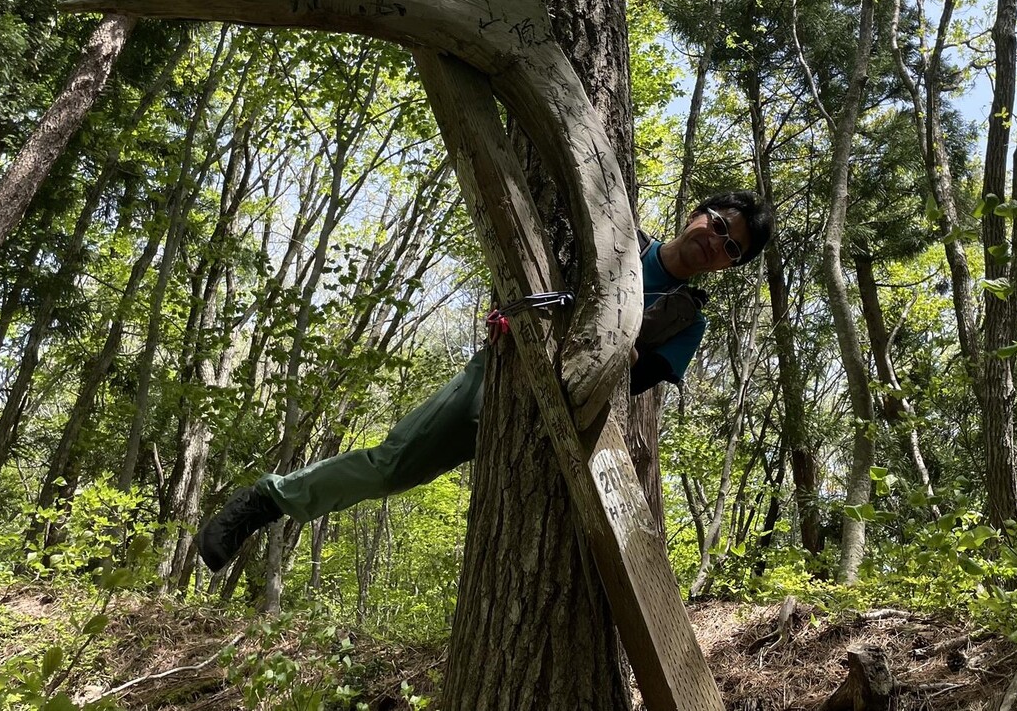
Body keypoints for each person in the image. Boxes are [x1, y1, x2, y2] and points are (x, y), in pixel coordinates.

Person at [196, 191, 774, 571]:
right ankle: (265, 501)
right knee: (394, 465)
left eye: (732, 247)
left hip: (568, 428)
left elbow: (636, 381)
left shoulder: (687, 319)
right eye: (718, 225)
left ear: (730, 265)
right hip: (499, 375)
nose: (716, 242)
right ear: (697, 212)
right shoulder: (617, 237)